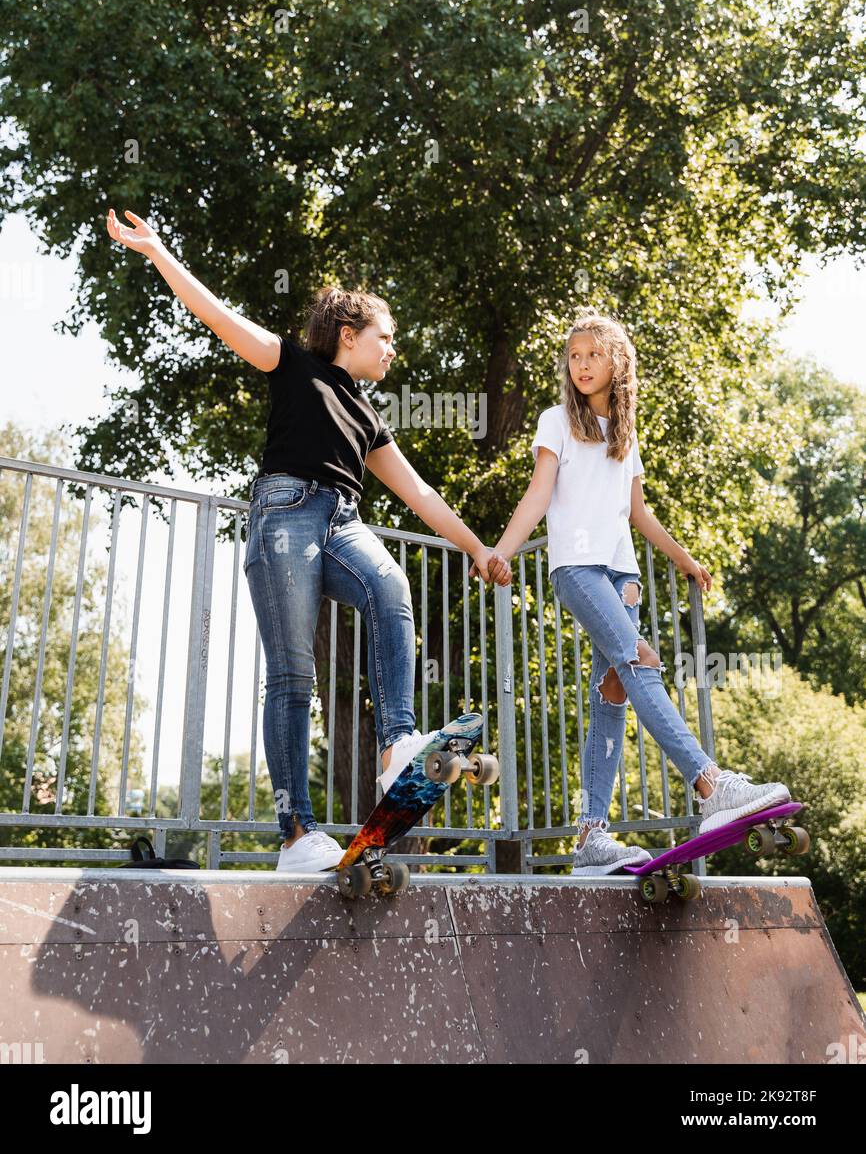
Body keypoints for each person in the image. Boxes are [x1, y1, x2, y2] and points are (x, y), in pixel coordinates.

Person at [106, 207, 511, 874]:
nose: (393, 348)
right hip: (285, 514)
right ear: (348, 335)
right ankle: (296, 833)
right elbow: (216, 315)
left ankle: (396, 746)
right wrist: (158, 252)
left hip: (343, 522)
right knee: (294, 677)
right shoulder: (291, 363)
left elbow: (419, 493)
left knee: (391, 589)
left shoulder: (367, 415)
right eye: (387, 337)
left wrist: (475, 546)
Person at [484, 310, 790, 876]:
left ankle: (591, 840)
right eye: (574, 356)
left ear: (616, 362)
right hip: (576, 568)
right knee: (641, 661)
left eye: (592, 355)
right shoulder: (556, 422)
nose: (580, 365)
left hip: (623, 576)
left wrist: (687, 560)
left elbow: (638, 514)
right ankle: (710, 785)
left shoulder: (625, 435)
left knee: (613, 696)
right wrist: (500, 549)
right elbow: (538, 493)